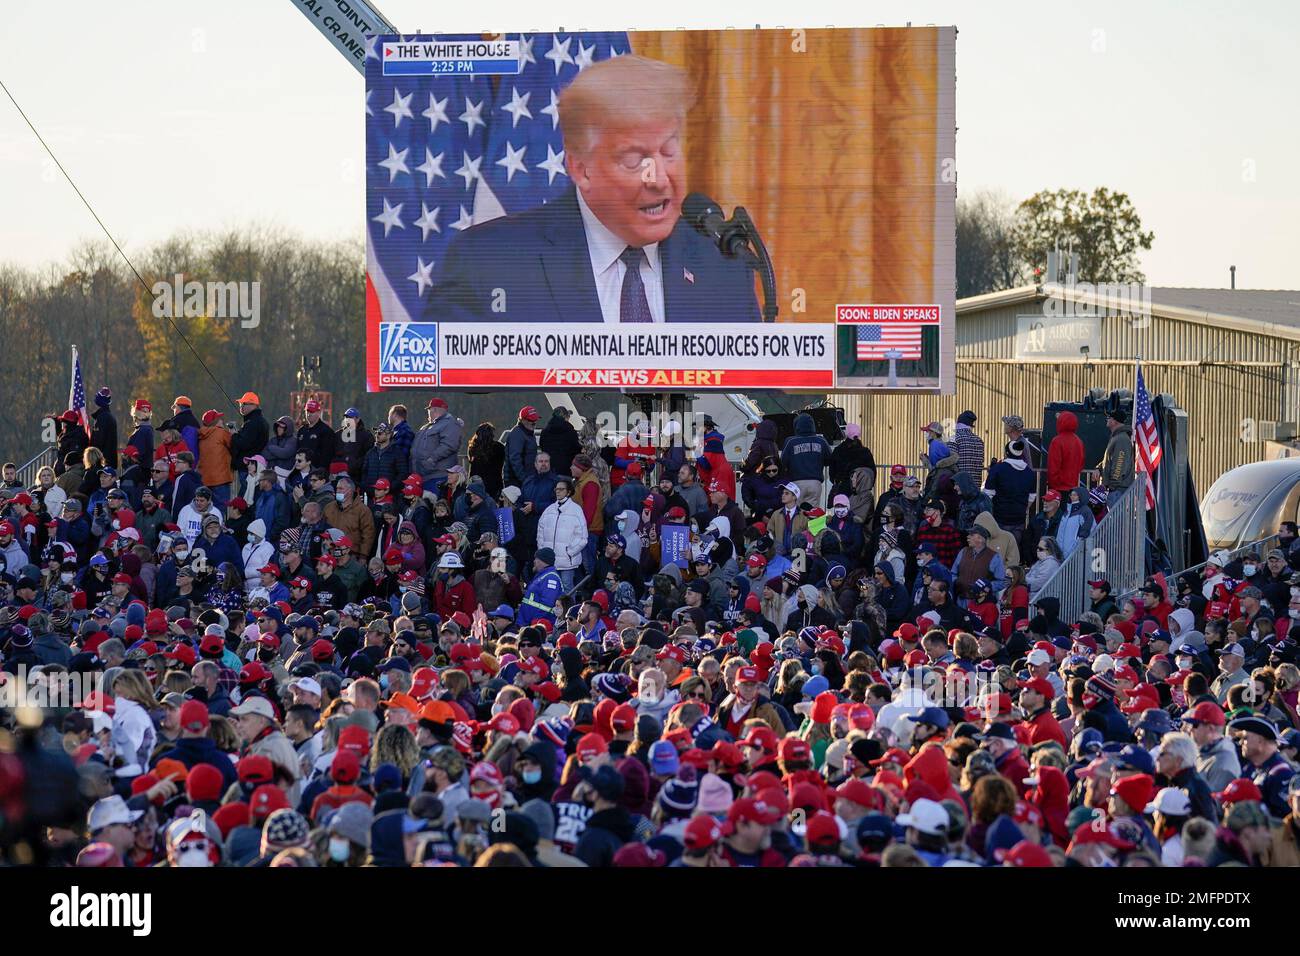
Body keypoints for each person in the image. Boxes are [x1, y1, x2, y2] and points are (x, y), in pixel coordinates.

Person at [427, 55, 760, 324]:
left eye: (669, 152)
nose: (659, 179)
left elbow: (756, 395)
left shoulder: (723, 263)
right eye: (633, 160)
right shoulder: (488, 259)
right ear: (581, 169)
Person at [410, 398, 462, 491]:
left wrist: (431, 460)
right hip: (423, 476)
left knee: (435, 503)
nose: (428, 413)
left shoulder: (449, 423)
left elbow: (449, 445)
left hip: (438, 476)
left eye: (429, 410)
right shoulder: (427, 426)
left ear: (433, 410)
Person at [1100, 407, 1135, 506]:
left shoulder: (1121, 439)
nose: (1107, 420)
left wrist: (1112, 485)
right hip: (1116, 490)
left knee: (1116, 521)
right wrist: (1098, 468)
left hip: (1118, 491)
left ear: (1115, 421)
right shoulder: (1117, 437)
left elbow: (1120, 463)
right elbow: (1109, 459)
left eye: (1109, 417)